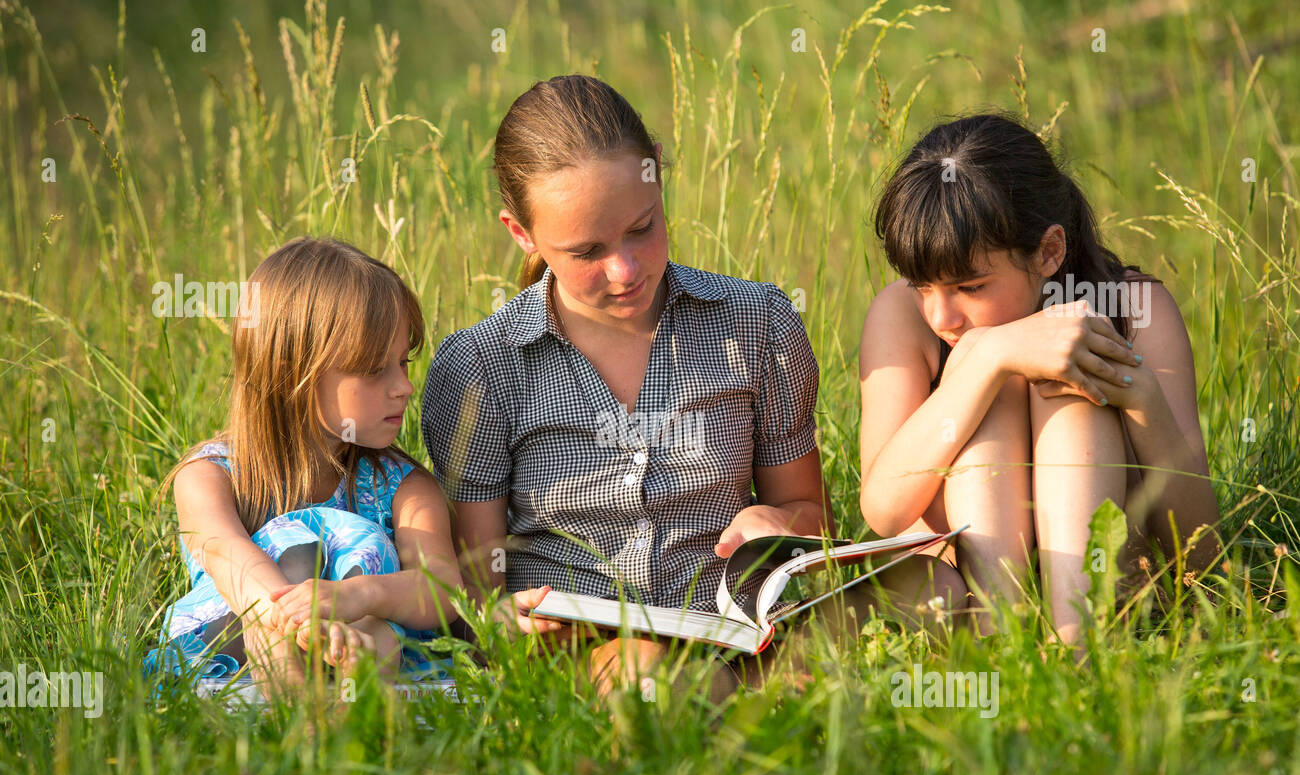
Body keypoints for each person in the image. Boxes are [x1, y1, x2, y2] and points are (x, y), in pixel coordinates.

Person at [421, 75, 834, 697]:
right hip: (588, 654)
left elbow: (812, 517)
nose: (625, 270)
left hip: (738, 625)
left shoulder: (757, 324)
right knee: (650, 683)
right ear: (521, 233)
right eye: (587, 250)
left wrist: (777, 520)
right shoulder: (482, 367)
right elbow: (479, 589)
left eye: (642, 228)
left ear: (658, 177)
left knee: (920, 600)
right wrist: (508, 621)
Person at [858, 112, 1220, 651]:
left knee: (1075, 389)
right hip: (960, 587)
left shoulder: (1134, 306)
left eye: (971, 286)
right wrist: (985, 356)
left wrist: (1139, 397)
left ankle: (1075, 638)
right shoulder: (900, 315)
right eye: (921, 286)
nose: (941, 317)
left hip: (1114, 581)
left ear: (1049, 252)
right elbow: (884, 512)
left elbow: (1202, 553)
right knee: (983, 393)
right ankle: (1000, 634)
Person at [148, 236, 547, 698]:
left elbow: (441, 589)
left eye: (403, 362)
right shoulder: (210, 476)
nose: (403, 387)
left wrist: (354, 597)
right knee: (279, 587)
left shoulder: (405, 486)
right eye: (376, 369)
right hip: (233, 650)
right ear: (291, 373)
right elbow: (226, 555)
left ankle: (340, 721)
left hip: (373, 646)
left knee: (372, 633)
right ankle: (299, 713)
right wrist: (294, 616)